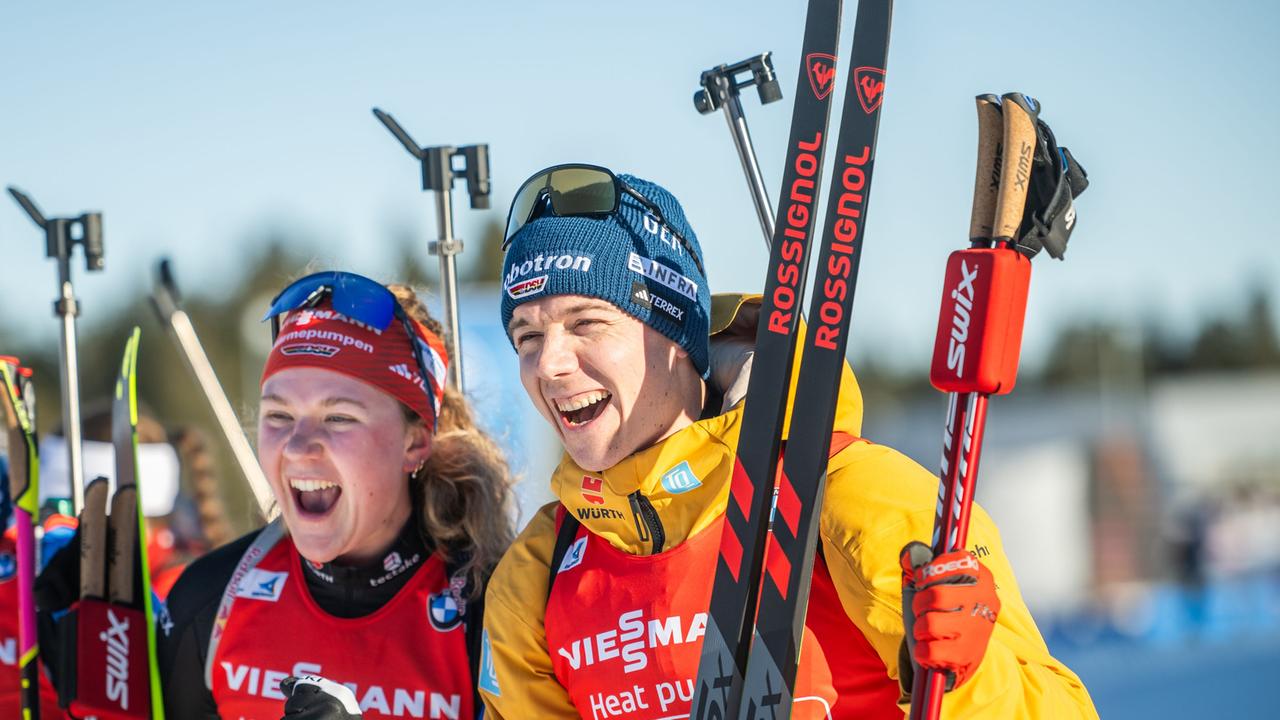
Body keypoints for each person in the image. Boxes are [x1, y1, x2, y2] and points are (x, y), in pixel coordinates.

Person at [480, 164, 1099, 718]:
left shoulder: (850, 498)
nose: (549, 364)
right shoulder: (538, 575)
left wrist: (972, 677)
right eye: (527, 336)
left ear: (677, 335)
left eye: (586, 322)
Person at [39, 273, 515, 719]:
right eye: (279, 416)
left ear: (414, 443)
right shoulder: (210, 599)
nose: (298, 446)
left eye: (339, 417)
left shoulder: (490, 607)